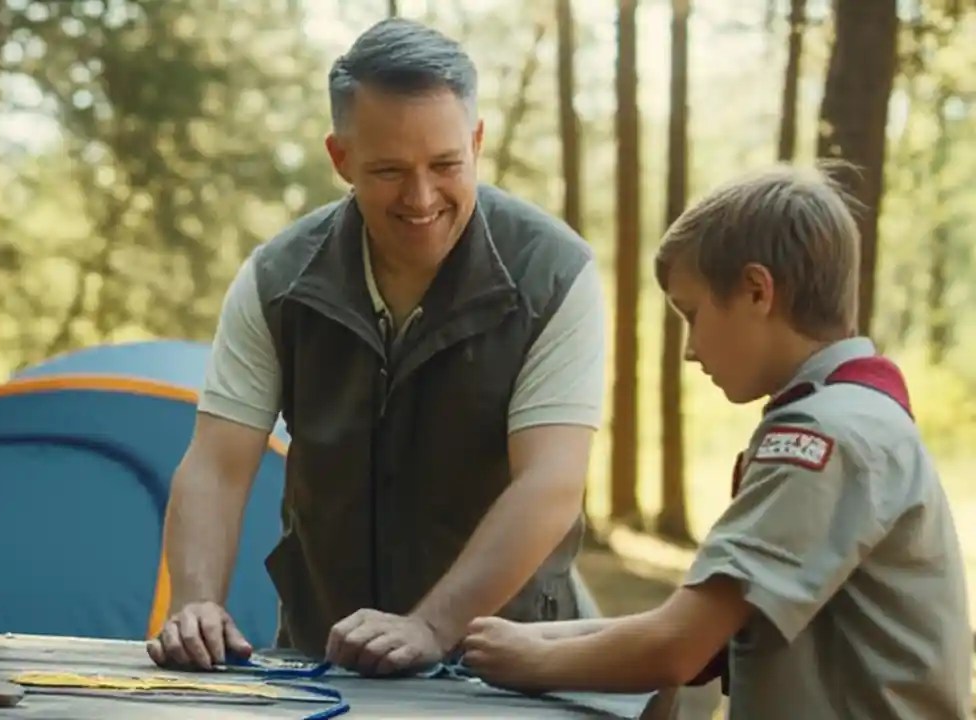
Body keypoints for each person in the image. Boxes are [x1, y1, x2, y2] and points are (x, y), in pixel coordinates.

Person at [147, 17, 607, 677]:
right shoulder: (276, 280)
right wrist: (195, 604)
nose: (421, 198)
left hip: (512, 667)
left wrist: (431, 626)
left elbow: (551, 484)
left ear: (477, 142)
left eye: (446, 165)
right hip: (323, 663)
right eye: (389, 170)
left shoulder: (556, 273)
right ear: (341, 158)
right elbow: (217, 465)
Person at [460, 165, 973, 719]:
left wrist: (528, 663)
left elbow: (678, 646)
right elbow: (703, 627)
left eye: (692, 313)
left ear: (757, 291)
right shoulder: (859, 419)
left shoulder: (825, 440)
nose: (689, 350)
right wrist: (533, 637)